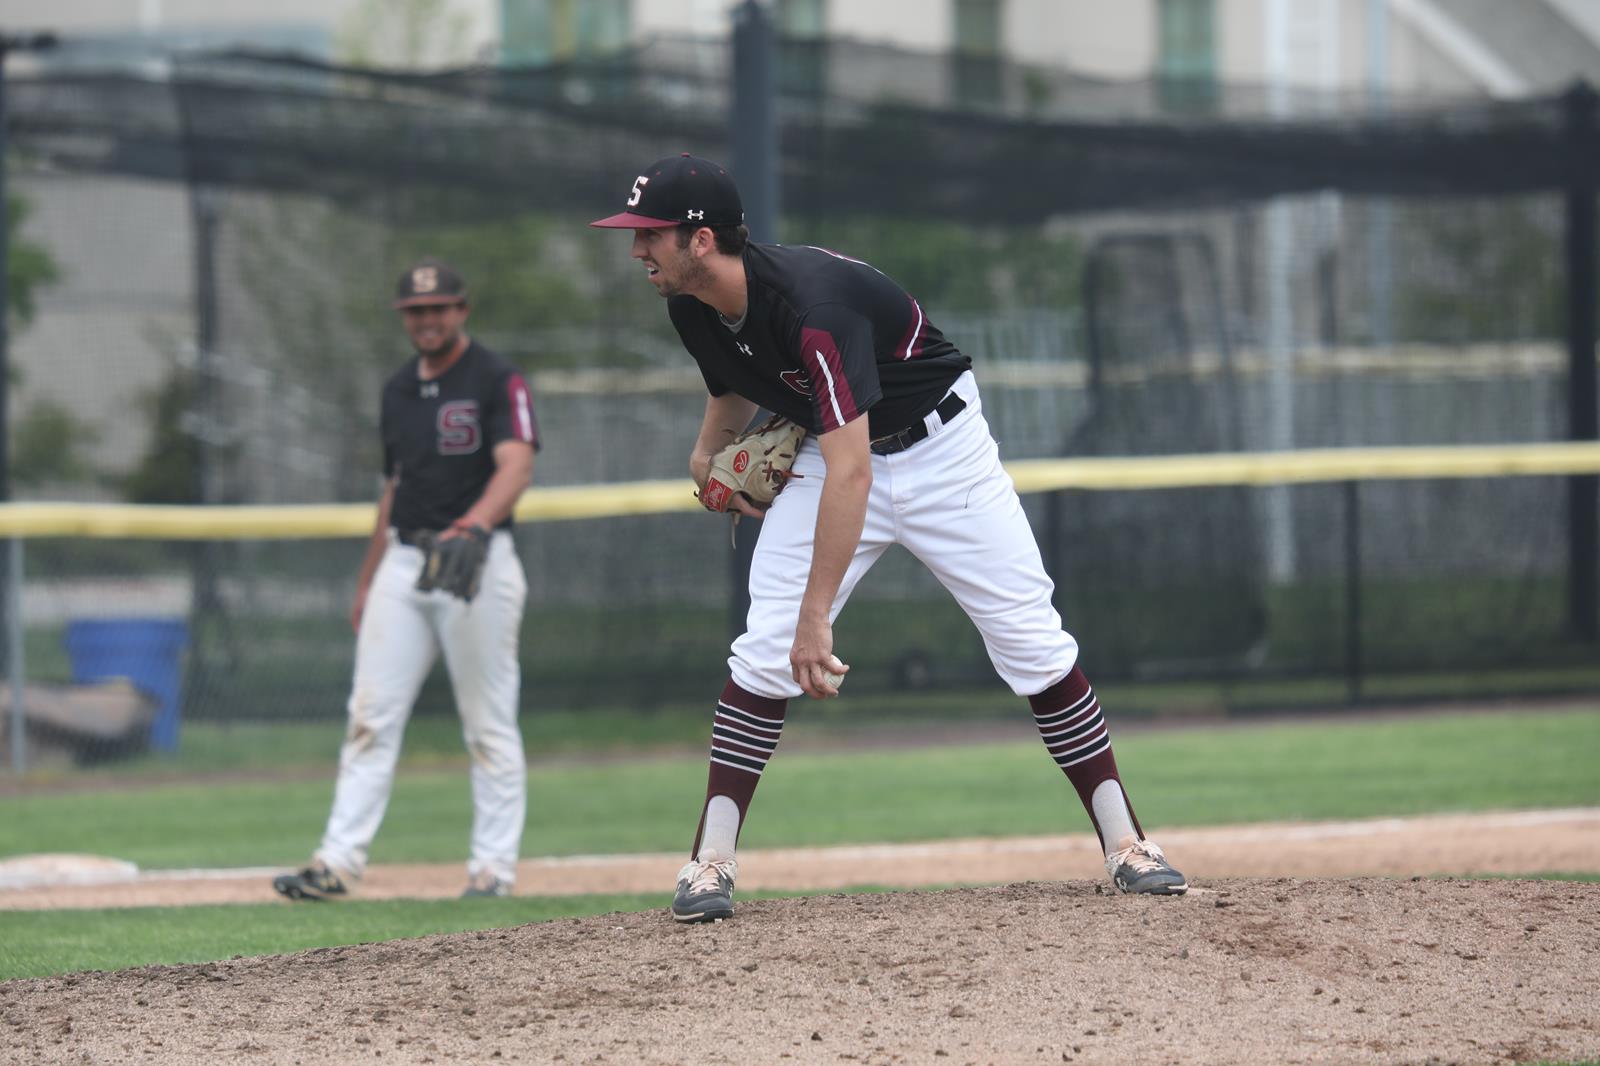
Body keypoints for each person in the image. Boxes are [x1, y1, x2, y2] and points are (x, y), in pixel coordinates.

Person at [591, 154, 1187, 924]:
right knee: (762, 648)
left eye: (651, 234)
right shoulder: (690, 305)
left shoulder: (814, 310)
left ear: (700, 240)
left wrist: (820, 616)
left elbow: (853, 477)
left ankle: (1129, 847)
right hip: (832, 448)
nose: (638, 249)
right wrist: (708, 454)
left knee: (1032, 643)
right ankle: (708, 864)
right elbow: (731, 380)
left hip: (943, 454)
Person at [273, 257, 539, 902]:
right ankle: (336, 862)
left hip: (475, 562)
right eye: (416, 311)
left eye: (438, 307)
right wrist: (368, 580)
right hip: (404, 560)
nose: (427, 319)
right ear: (405, 318)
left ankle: (492, 869)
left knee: (486, 722)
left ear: (461, 310)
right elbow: (394, 488)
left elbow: (517, 464)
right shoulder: (396, 389)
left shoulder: (495, 378)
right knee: (369, 714)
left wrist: (472, 525)